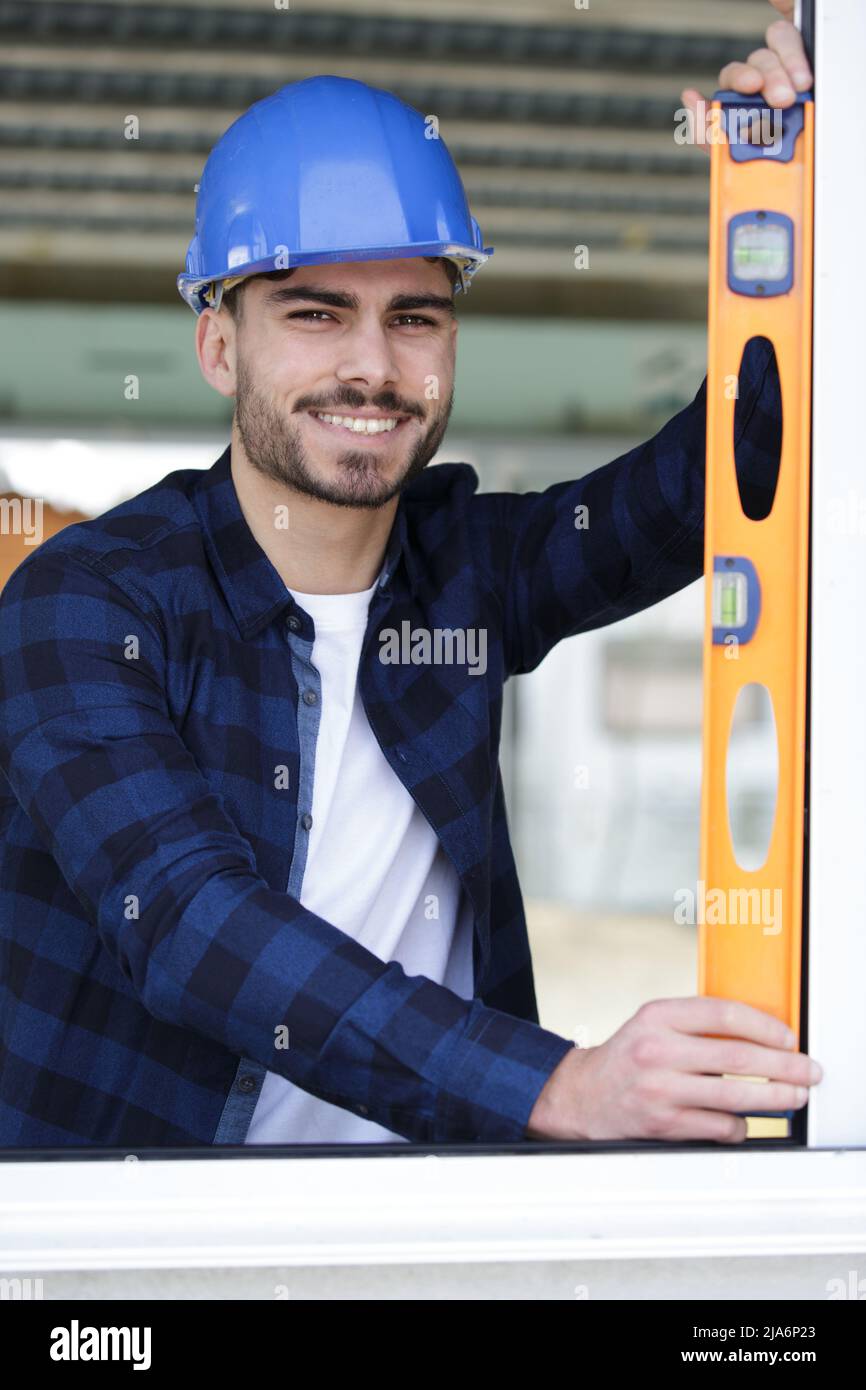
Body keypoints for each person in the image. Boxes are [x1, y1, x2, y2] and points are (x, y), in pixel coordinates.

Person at [0, 3, 821, 1148]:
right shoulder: (83, 606)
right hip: (145, 1256)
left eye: (415, 317)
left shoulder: (464, 575)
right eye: (315, 313)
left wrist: (802, 180)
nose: (373, 366)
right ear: (218, 344)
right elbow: (190, 922)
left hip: (440, 1228)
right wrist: (556, 1085)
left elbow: (733, 466)